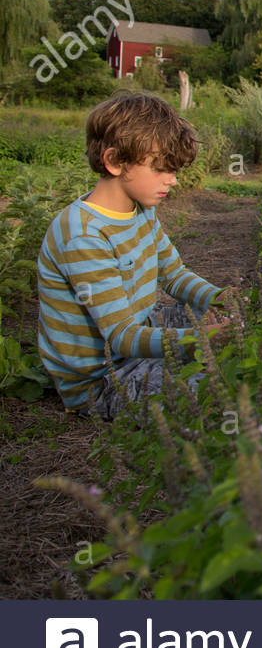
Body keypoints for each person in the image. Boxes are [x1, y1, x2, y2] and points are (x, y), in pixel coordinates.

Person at [36, 92, 233, 420]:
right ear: (115, 161)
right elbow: (123, 338)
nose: (172, 180)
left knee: (241, 325)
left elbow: (173, 275)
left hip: (142, 327)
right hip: (107, 376)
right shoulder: (83, 235)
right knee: (214, 396)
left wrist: (222, 298)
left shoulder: (141, 211)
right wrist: (202, 339)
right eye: (161, 169)